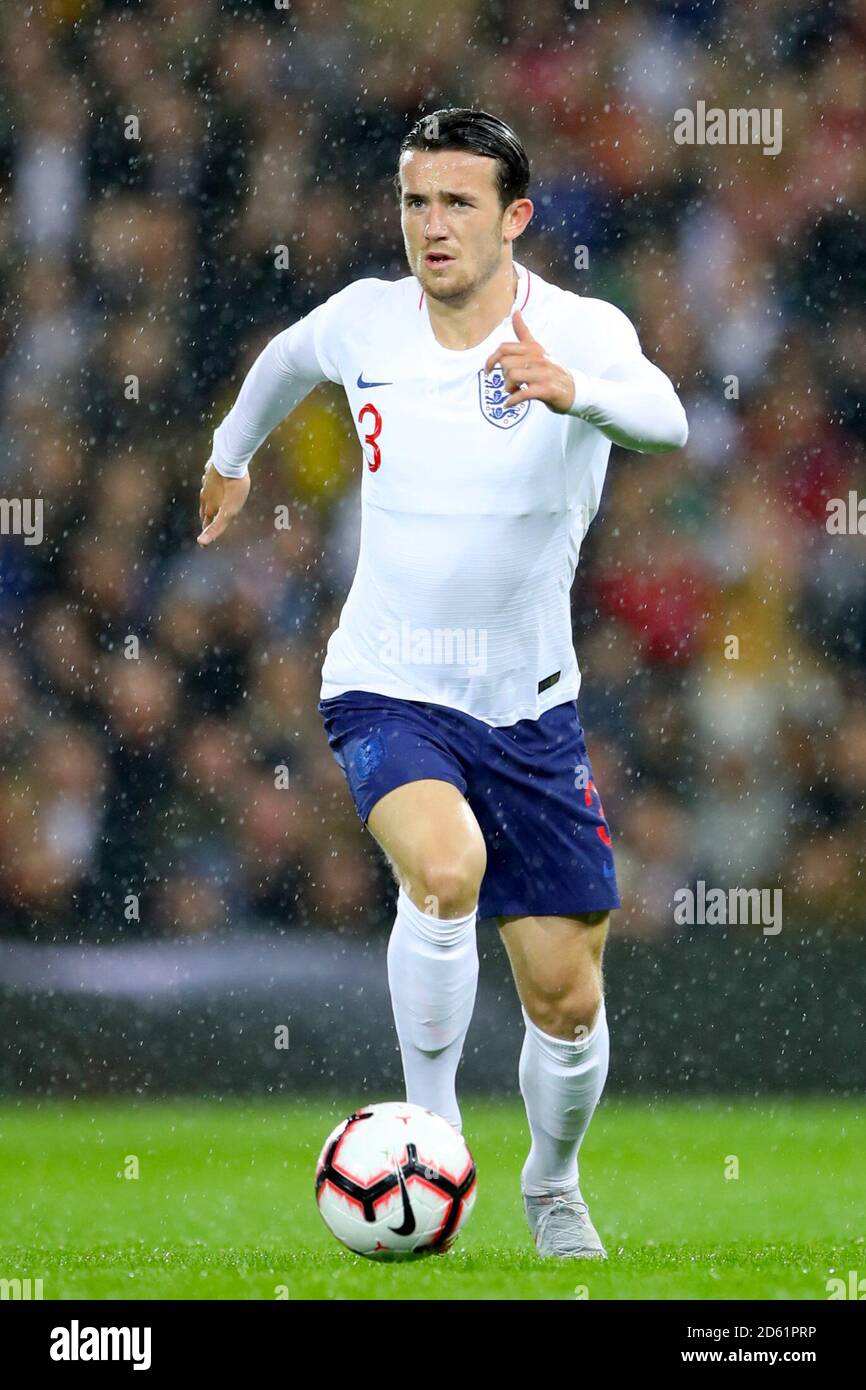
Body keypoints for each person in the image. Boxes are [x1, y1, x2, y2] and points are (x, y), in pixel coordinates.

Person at [198, 108, 688, 1258]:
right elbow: (282, 362)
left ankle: (551, 1180)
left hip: (529, 710)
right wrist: (229, 454)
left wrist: (574, 391)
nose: (431, 224)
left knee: (564, 997)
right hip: (387, 684)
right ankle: (431, 1133)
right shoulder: (368, 320)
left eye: (458, 202)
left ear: (512, 218)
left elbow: (666, 419)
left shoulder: (575, 330)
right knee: (444, 866)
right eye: (416, 201)